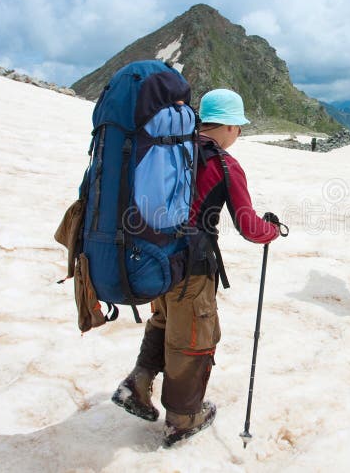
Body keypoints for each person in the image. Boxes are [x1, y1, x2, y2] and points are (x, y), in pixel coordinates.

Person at [112, 88, 281, 447]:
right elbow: (250, 227)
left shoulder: (167, 149)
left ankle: (137, 385)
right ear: (232, 127)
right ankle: (183, 418)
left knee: (165, 320)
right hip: (193, 267)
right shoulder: (224, 163)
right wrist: (273, 231)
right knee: (193, 339)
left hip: (154, 262)